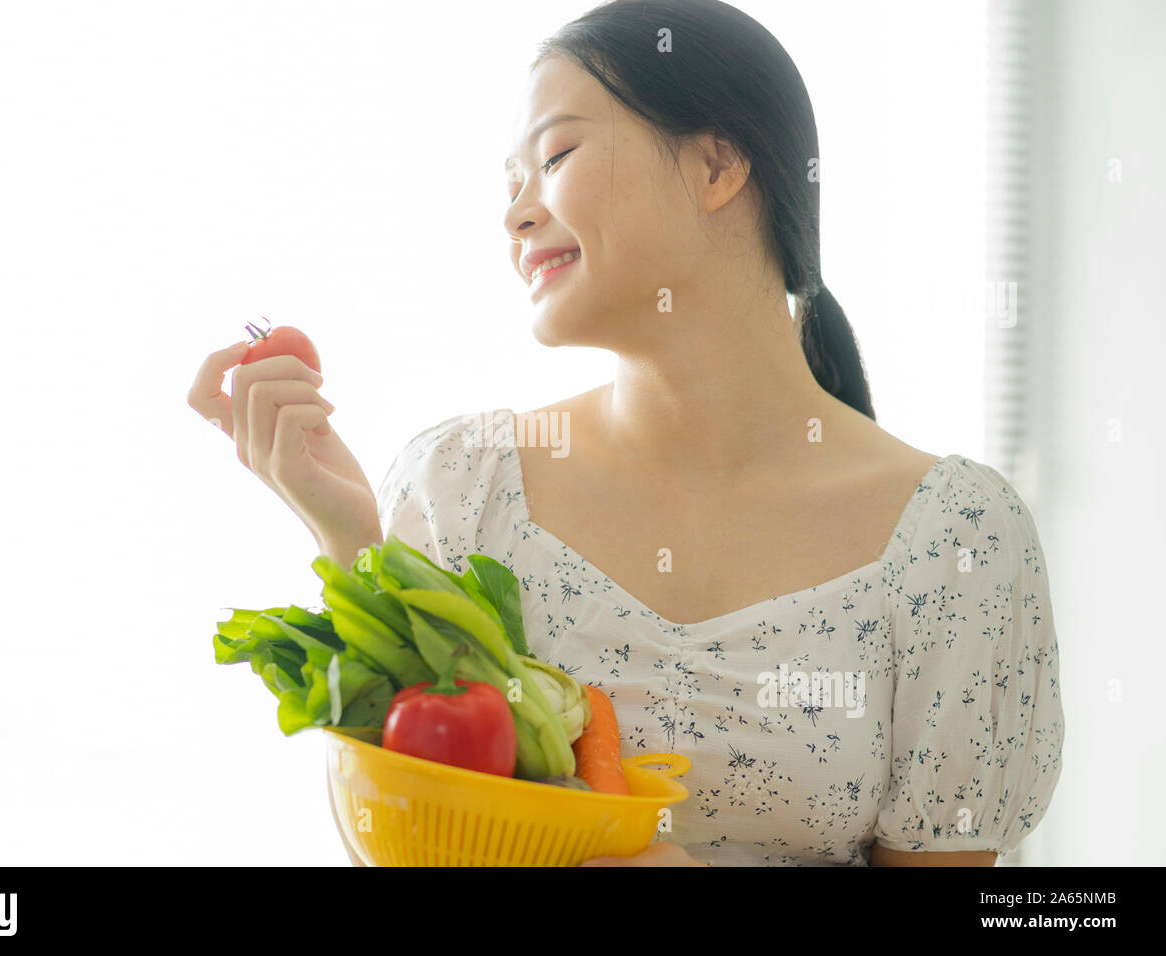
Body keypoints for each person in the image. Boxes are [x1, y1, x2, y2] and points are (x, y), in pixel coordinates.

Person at [188, 0, 1063, 867]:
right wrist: (349, 540)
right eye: (510, 183)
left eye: (557, 155)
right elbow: (410, 836)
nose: (517, 216)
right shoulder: (462, 487)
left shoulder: (957, 539)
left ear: (718, 164)